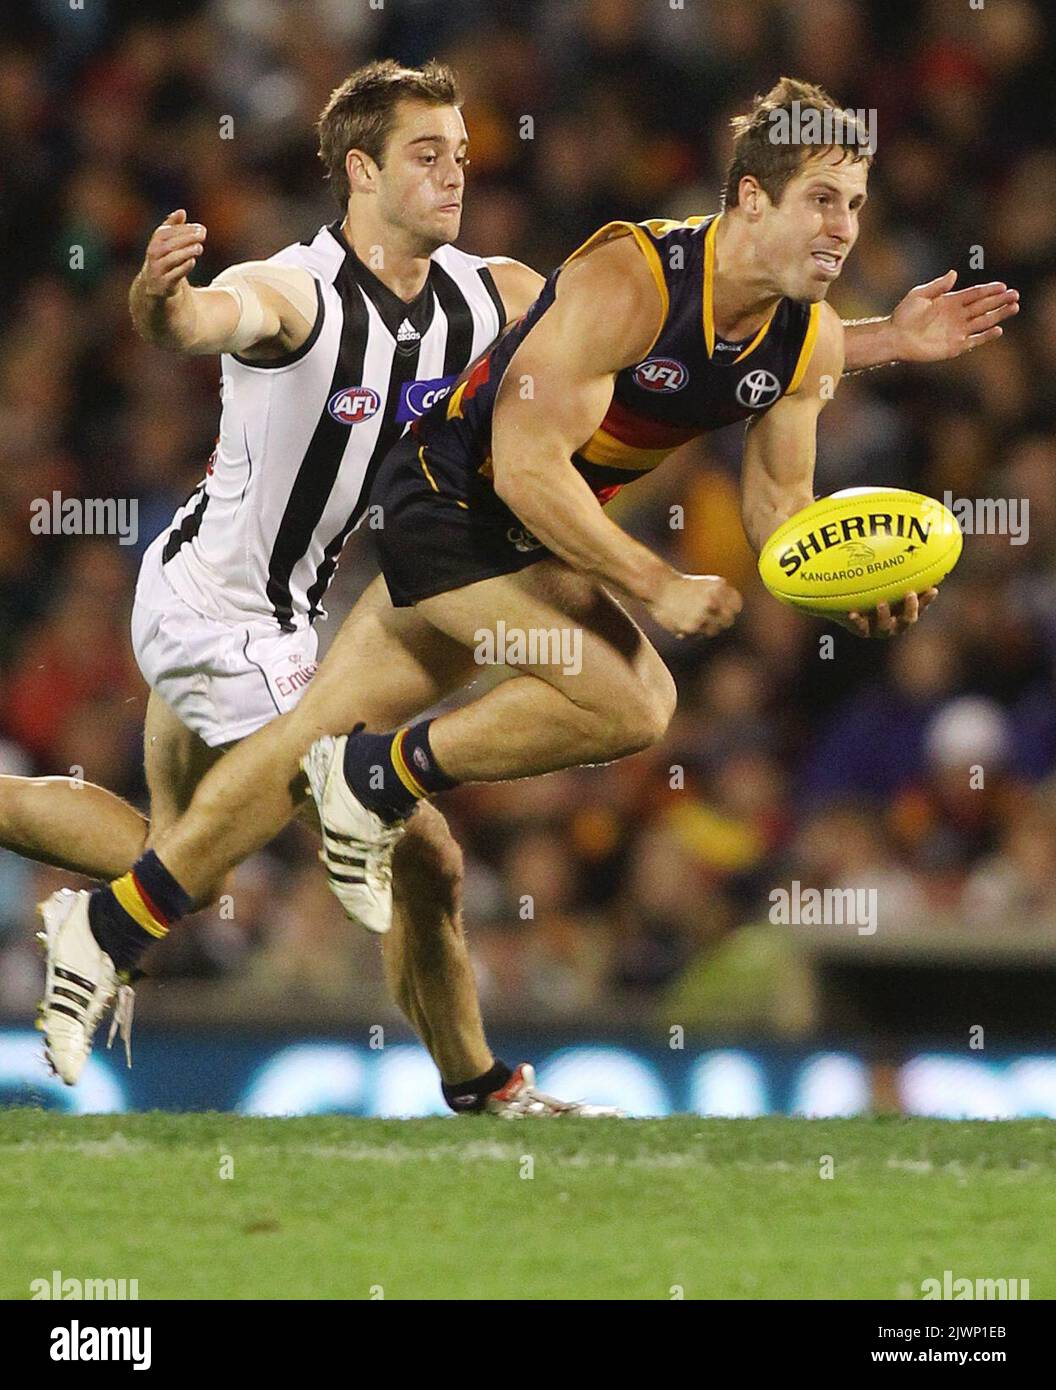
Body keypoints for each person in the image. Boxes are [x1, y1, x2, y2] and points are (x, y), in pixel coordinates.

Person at [32, 75, 1018, 1091]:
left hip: (478, 550)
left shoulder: (787, 335)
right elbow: (525, 460)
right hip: (444, 508)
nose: (846, 225)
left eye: (857, 203)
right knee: (632, 701)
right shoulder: (617, 276)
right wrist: (653, 579)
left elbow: (780, 519)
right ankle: (376, 777)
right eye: (823, 198)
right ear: (752, 199)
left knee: (322, 777)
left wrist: (844, 582)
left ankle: (116, 927)